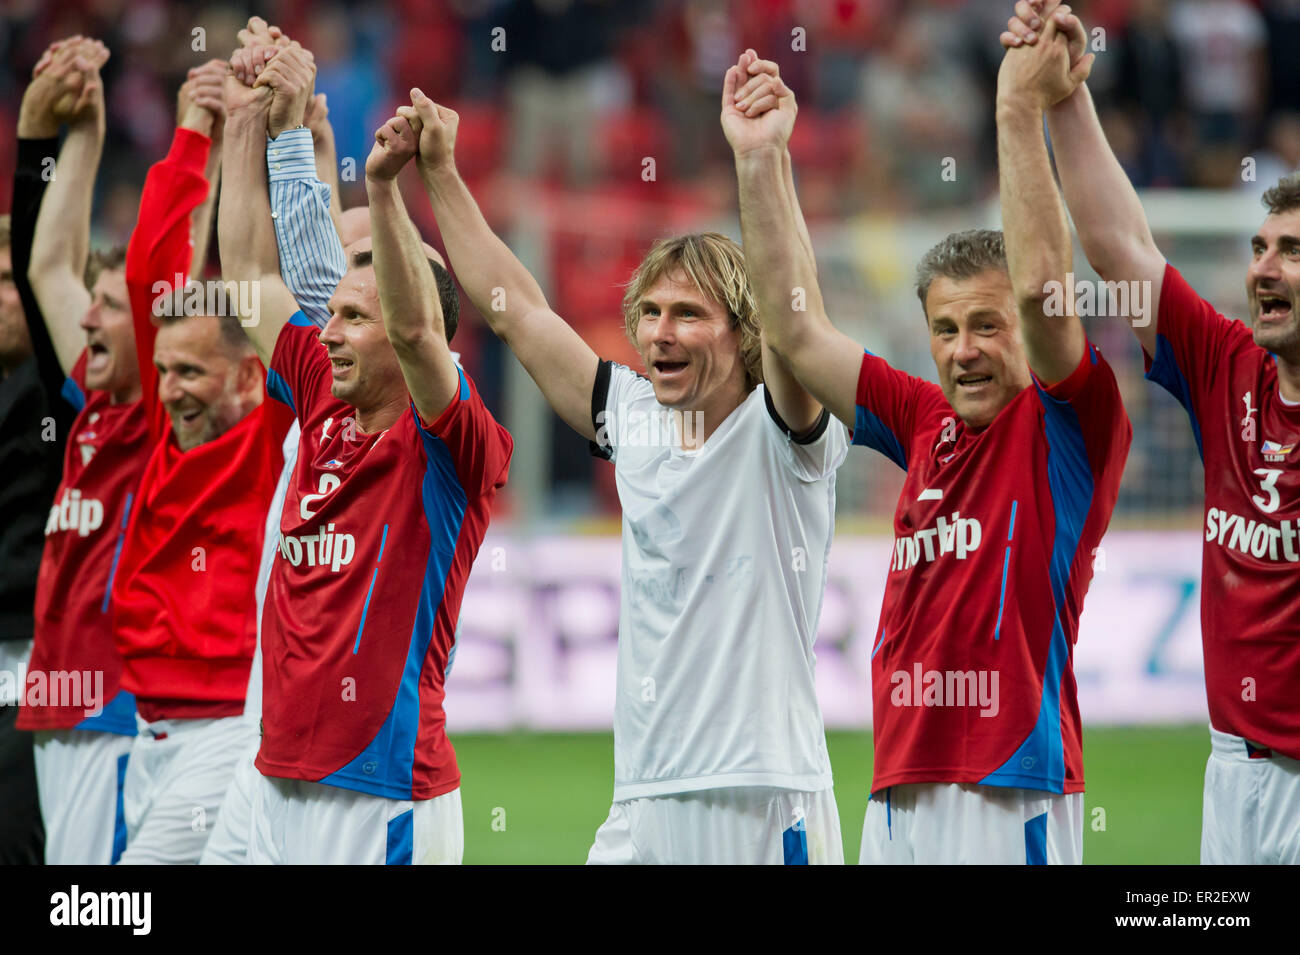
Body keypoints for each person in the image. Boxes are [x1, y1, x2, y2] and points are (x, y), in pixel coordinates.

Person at [408, 77, 848, 863]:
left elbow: (796, 316)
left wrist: (760, 161)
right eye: (649, 312)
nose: (660, 332)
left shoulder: (785, 432)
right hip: (643, 792)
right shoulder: (636, 414)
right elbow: (518, 310)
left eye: (688, 314)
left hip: (759, 791)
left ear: (743, 333)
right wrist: (440, 171)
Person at [728, 37, 1129, 864]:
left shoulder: (1068, 425)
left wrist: (1017, 111)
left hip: (1005, 791)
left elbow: (1046, 288)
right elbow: (797, 329)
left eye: (988, 325)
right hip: (896, 791)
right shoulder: (921, 420)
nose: (964, 350)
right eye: (945, 330)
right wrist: (762, 161)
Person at [1005, 0, 1300, 864]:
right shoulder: (1229, 367)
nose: (1262, 268)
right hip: (1230, 775)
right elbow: (1118, 245)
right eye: (1257, 247)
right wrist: (1066, 96)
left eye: (1289, 251)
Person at [219, 42, 512, 865]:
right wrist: (249, 119)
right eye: (332, 314)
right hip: (280, 783)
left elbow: (420, 329)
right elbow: (245, 272)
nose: (328, 331)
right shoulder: (320, 394)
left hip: (384, 795)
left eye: (353, 316)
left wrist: (383, 184)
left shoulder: (450, 445)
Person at [106, 54, 294, 864]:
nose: (170, 389)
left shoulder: (272, 438)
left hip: (226, 727)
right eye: (164, 369)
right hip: (146, 731)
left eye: (191, 372)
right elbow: (153, 267)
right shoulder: (163, 428)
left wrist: (267, 135)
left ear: (250, 375)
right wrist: (193, 134)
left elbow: (283, 287)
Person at [15, 36, 144, 864]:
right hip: (55, 707)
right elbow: (47, 269)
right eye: (90, 304)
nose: (87, 319)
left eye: (111, 305)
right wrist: (83, 139)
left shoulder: (157, 418)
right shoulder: (92, 410)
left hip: (118, 712)